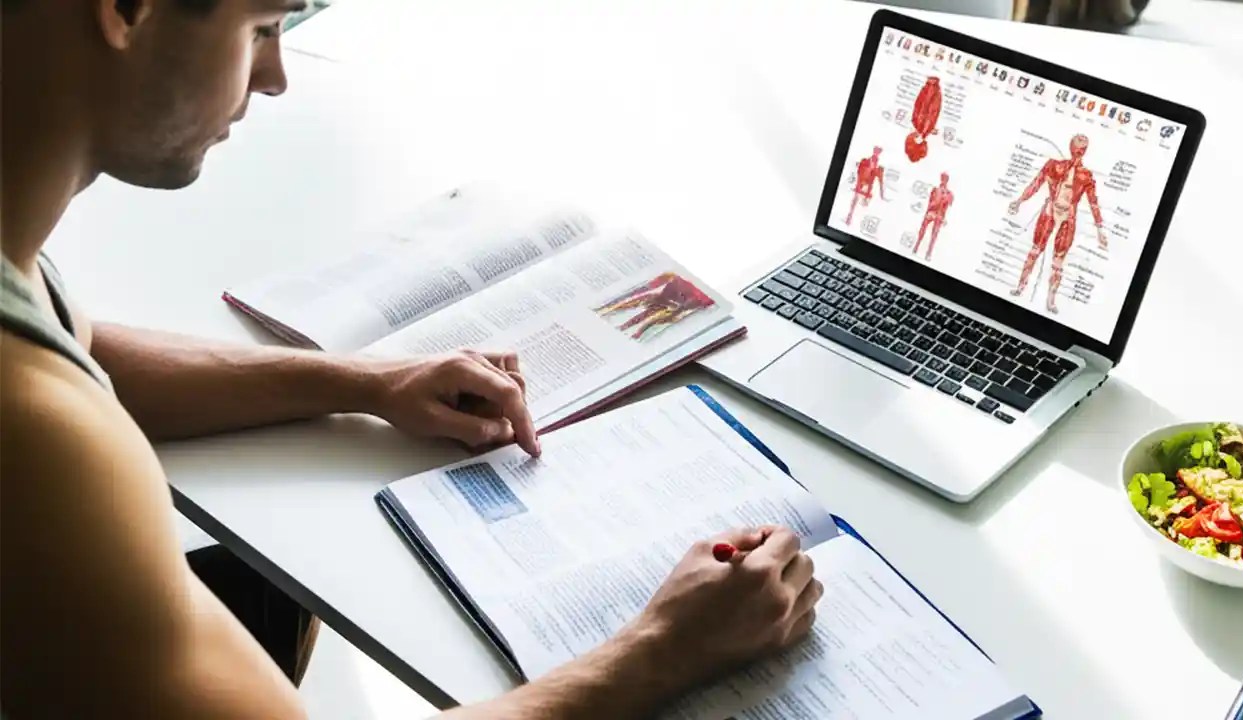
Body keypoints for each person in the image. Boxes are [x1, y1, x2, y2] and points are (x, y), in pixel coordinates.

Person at [0, 1, 822, 718]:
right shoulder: (37, 439)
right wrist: (665, 647)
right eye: (261, 26)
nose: (278, 74)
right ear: (126, 7)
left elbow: (73, 337)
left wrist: (371, 380)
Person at [1007, 133, 1107, 314]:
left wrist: (1100, 229)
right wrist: (1020, 200)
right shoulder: (1054, 165)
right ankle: (1021, 287)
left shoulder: (1086, 176)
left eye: (1082, 149)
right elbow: (1036, 183)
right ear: (1071, 148)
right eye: (1077, 148)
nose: (1078, 152)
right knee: (1035, 250)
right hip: (1050, 211)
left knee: (1058, 261)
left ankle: (1051, 301)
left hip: (1068, 217)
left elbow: (1093, 202)